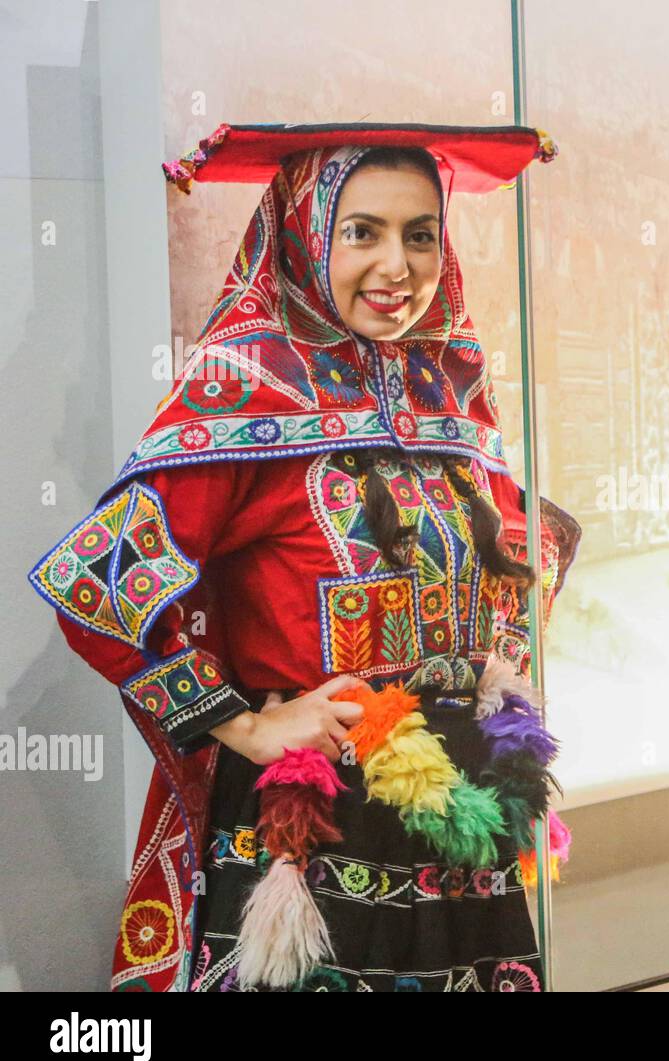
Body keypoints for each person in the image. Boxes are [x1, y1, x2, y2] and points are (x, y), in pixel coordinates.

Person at [28, 122, 580, 992]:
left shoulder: (447, 388)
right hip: (312, 835)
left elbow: (520, 550)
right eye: (362, 231)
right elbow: (92, 584)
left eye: (420, 234)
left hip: (462, 827)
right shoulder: (252, 390)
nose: (398, 266)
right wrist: (245, 724)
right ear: (304, 234)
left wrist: (496, 676)